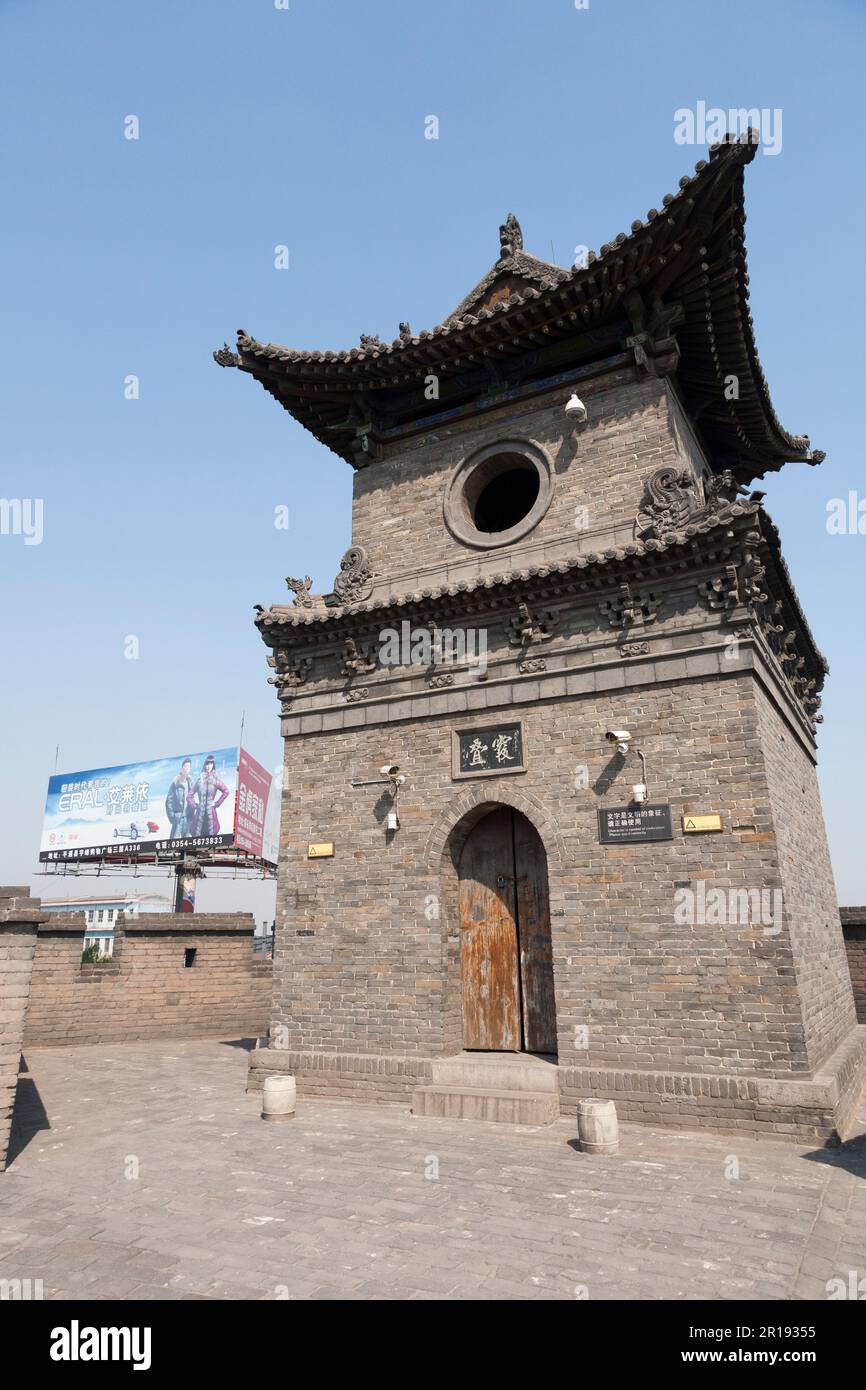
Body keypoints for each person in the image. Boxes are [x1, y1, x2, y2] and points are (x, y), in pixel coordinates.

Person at [191, 755, 229, 837]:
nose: (209, 766)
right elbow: (189, 796)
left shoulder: (216, 781)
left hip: (211, 813)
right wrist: (196, 805)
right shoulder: (199, 782)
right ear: (204, 765)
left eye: (211, 764)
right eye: (207, 764)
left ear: (213, 765)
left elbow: (226, 791)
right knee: (198, 838)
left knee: (210, 837)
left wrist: (216, 803)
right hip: (199, 816)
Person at [165, 758, 193, 840]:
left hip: (187, 818)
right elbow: (168, 801)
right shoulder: (175, 783)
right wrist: (172, 817)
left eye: (189, 766)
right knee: (173, 842)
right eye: (185, 766)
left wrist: (192, 815)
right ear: (182, 768)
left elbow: (192, 799)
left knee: (186, 843)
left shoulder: (190, 783)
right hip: (178, 817)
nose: (187, 768)